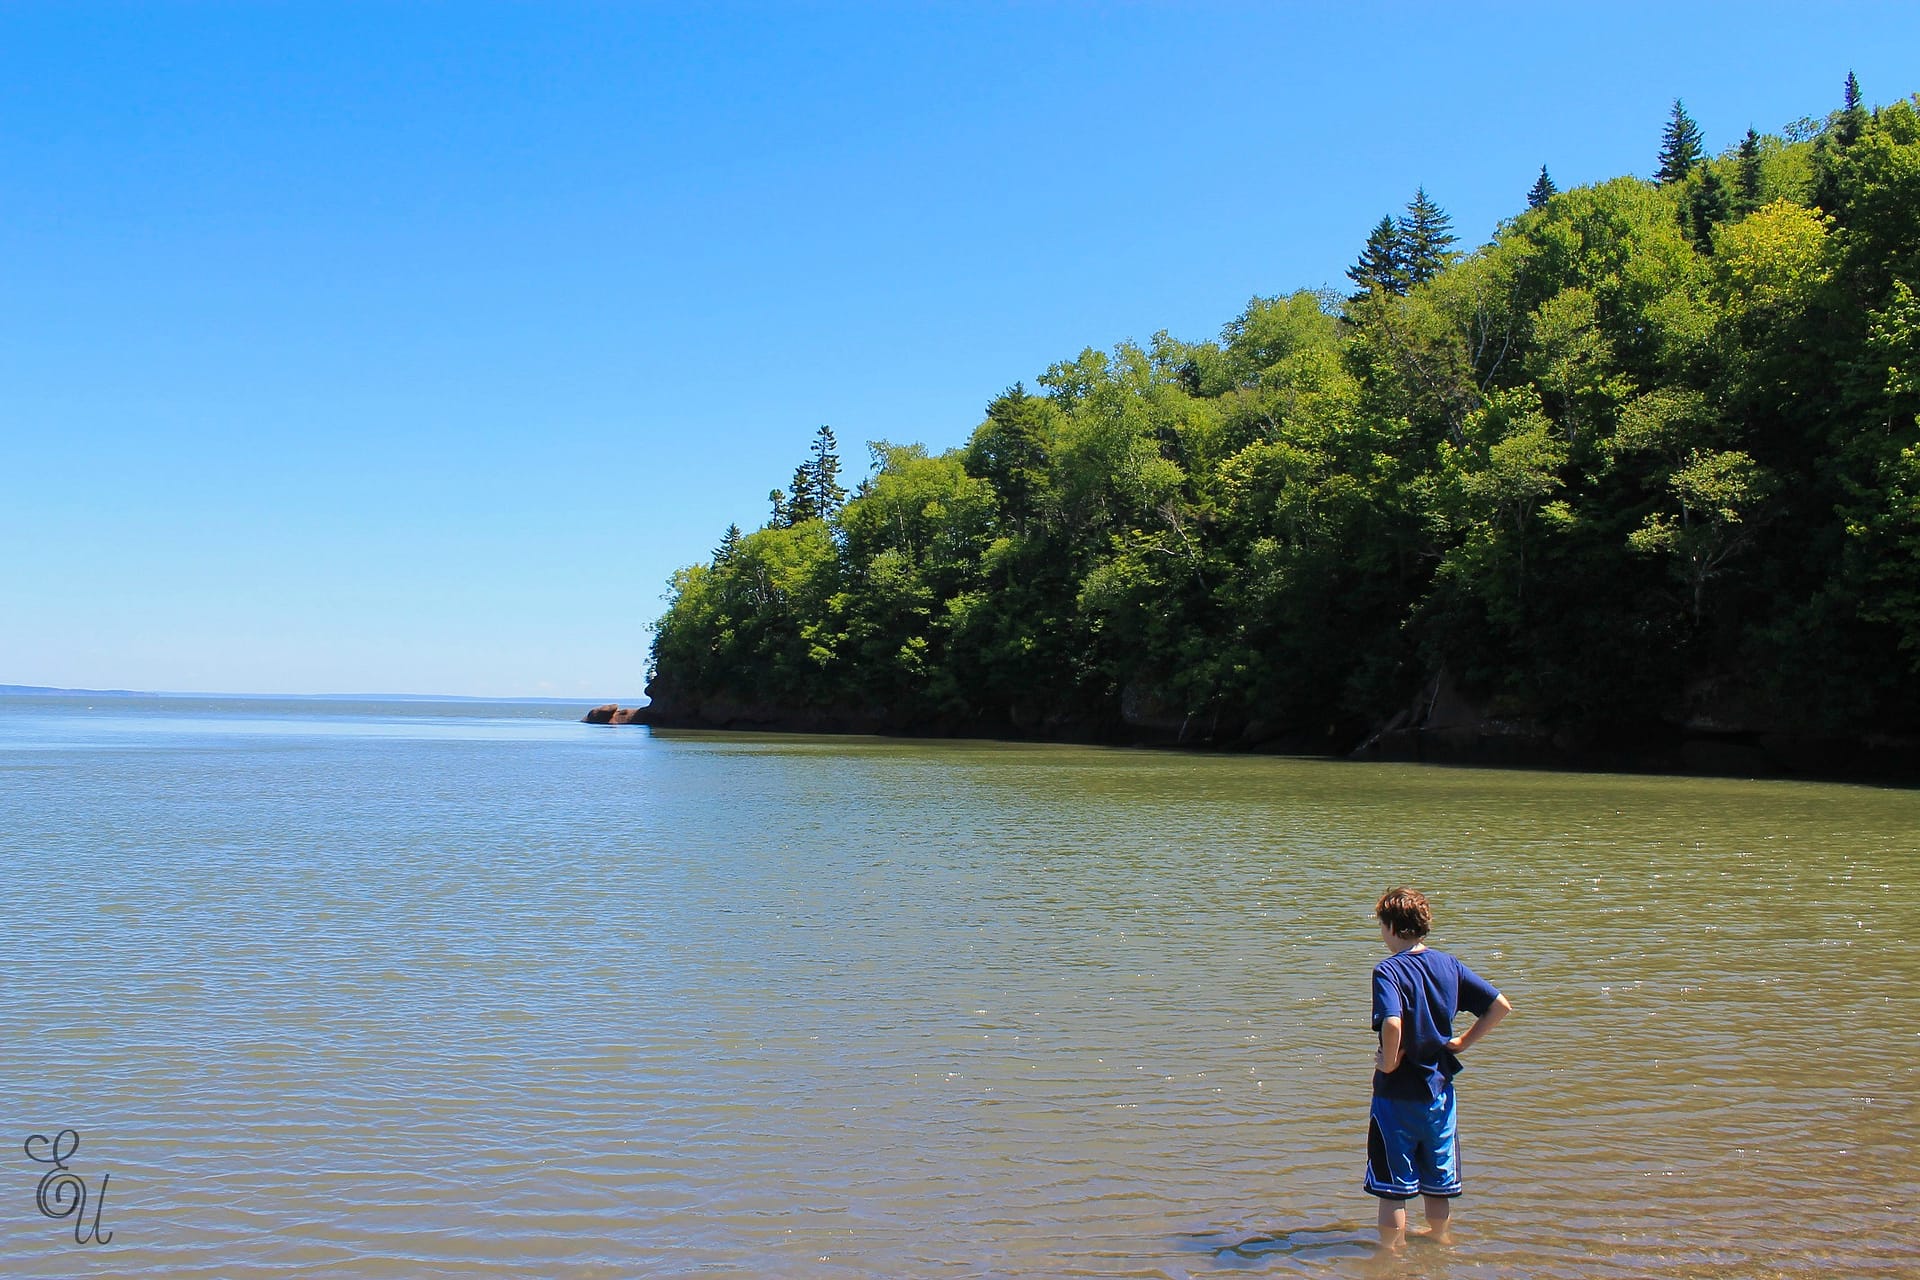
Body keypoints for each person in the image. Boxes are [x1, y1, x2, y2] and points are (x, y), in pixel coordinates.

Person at [1365, 886, 1511, 1250]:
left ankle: (1390, 1256)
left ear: (1393, 927)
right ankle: (1439, 1243)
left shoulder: (1388, 971)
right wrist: (1461, 1042)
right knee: (1438, 1182)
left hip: (1397, 1093)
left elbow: (1393, 1022)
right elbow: (1500, 1006)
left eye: (1382, 925)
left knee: (1392, 1188)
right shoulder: (1449, 965)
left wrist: (1390, 1060)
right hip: (1440, 1091)